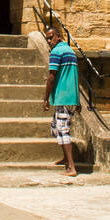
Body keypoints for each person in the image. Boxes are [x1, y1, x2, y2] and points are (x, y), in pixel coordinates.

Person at [43, 27, 80, 177]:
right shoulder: (70, 51)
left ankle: (71, 167)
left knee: (63, 129)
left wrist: (45, 98)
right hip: (71, 97)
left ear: (58, 37)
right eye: (47, 38)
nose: (49, 41)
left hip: (64, 96)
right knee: (55, 127)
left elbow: (52, 76)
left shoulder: (56, 52)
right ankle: (66, 158)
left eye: (51, 37)